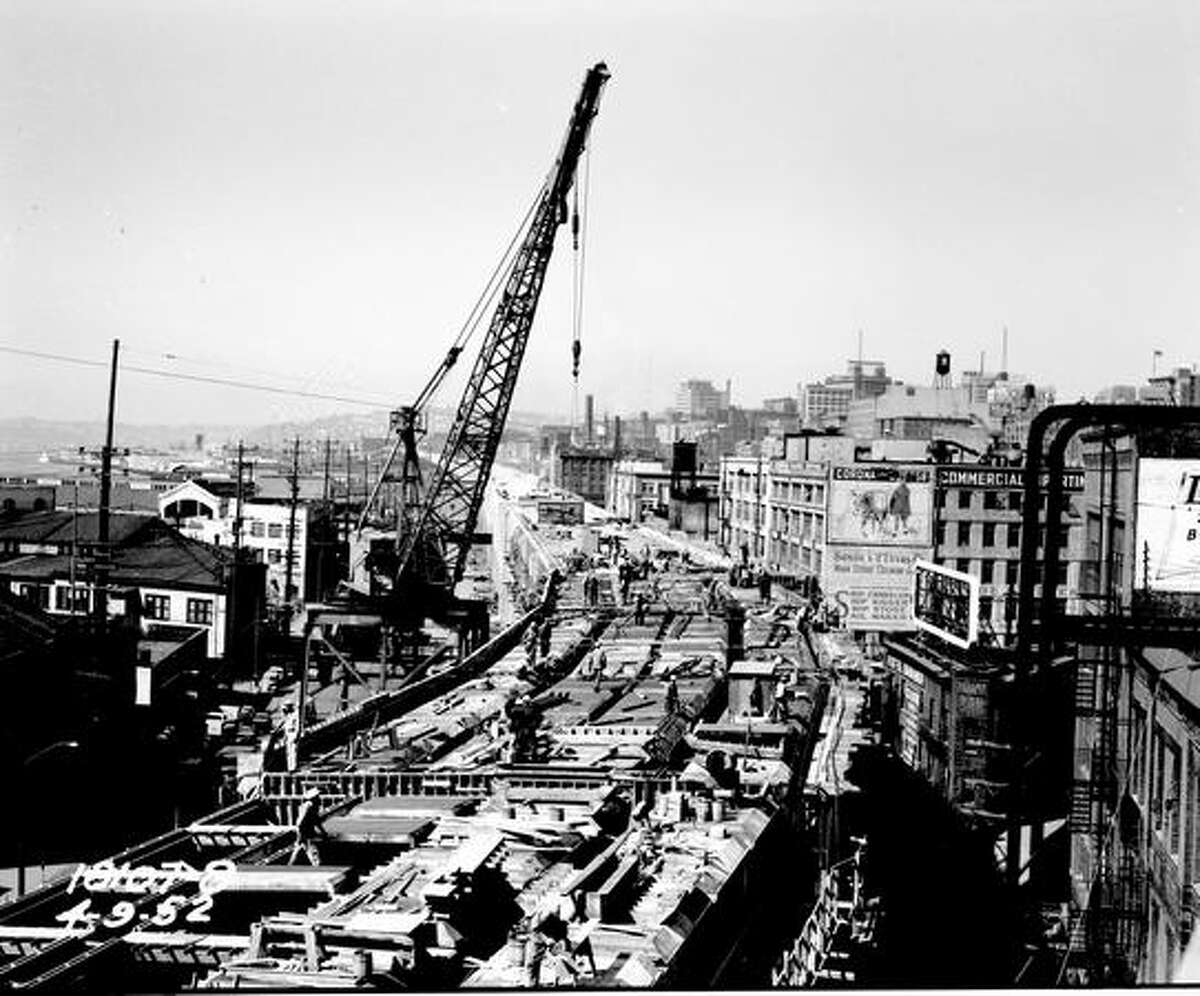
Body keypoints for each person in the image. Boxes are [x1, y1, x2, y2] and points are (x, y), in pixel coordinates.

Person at [289, 787, 326, 865]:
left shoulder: (313, 806)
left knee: (300, 847)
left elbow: (316, 821)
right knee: (310, 847)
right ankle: (316, 863)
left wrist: (323, 831)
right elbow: (301, 820)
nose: (319, 798)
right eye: (317, 796)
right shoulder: (309, 805)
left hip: (307, 830)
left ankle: (290, 864)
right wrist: (299, 831)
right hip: (305, 830)